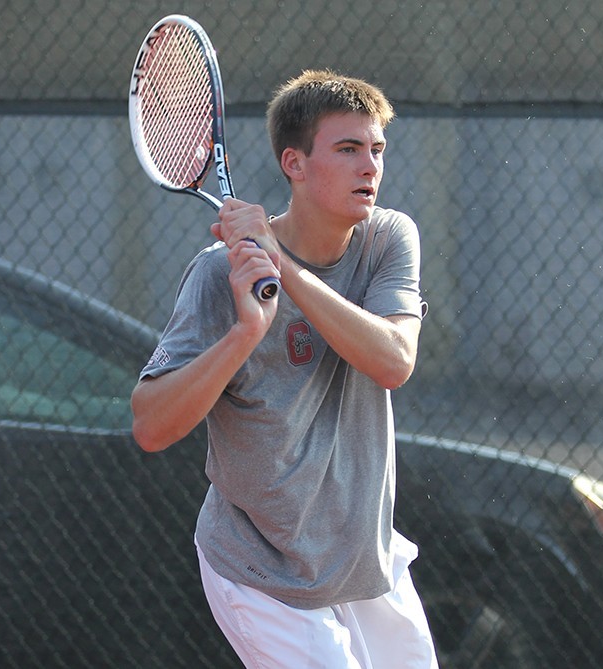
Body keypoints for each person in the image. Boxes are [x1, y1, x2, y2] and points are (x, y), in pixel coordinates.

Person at [130, 70, 437, 668]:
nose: (369, 166)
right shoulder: (219, 274)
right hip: (261, 572)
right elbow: (150, 426)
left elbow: (394, 361)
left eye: (376, 149)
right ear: (294, 163)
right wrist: (247, 333)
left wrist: (285, 271)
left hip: (363, 563)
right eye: (347, 149)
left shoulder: (388, 239)